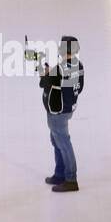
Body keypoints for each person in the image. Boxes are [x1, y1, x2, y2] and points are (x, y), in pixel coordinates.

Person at [39, 35, 84, 192]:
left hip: (57, 113)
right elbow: (77, 86)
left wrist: (45, 73)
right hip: (67, 109)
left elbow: (43, 83)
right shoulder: (78, 66)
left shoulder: (60, 69)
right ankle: (60, 174)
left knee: (63, 143)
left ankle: (71, 179)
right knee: (57, 141)